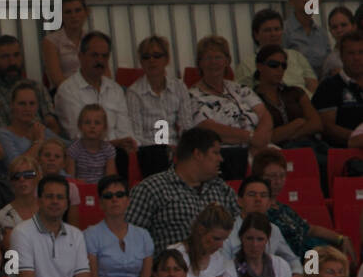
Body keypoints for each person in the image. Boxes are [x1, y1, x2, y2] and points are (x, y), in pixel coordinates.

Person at [127, 127, 239, 255]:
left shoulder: (223, 190)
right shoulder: (151, 189)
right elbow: (130, 240)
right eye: (215, 153)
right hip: (172, 270)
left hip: (218, 269)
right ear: (198, 154)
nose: (221, 159)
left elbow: (240, 232)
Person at [187, 35, 273, 177]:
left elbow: (264, 115)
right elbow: (208, 128)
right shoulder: (191, 96)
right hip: (224, 156)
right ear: (199, 63)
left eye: (218, 57)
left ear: (227, 61)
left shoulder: (240, 89)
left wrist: (259, 141)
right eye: (208, 58)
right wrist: (251, 138)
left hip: (257, 147)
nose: (213, 62)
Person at [253, 150, 355, 264]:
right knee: (325, 268)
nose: (278, 181)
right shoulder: (258, 211)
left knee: (334, 261)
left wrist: (340, 239)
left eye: (282, 176)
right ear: (259, 178)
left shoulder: (283, 209)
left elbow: (310, 229)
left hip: (310, 258)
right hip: (290, 264)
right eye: (272, 176)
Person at [54, 32, 136, 166]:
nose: (100, 61)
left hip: (118, 154)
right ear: (80, 56)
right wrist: (114, 145)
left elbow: (125, 131)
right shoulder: (67, 90)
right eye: (94, 55)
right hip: (85, 157)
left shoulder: (115, 89)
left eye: (104, 56)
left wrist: (125, 144)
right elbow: (77, 136)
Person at [126, 36, 192, 179]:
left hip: (176, 149)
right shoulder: (134, 92)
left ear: (167, 59)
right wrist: (162, 150)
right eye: (146, 57)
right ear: (141, 62)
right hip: (148, 151)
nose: (151, 60)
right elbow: (136, 135)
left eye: (157, 56)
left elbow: (186, 125)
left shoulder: (179, 87)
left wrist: (179, 149)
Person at [84, 173, 154, 277]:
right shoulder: (90, 234)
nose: (114, 199)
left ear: (128, 201)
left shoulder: (144, 235)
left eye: (120, 195)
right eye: (108, 196)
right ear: (101, 204)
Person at [0, 35, 60, 134]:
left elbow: (52, 124)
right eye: (5, 57)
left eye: (16, 55)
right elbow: (3, 134)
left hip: (47, 142)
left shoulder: (37, 87)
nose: (12, 62)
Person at [249, 43, 323, 152]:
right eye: (273, 65)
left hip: (310, 146)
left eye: (284, 66)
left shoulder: (296, 92)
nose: (280, 69)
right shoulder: (251, 98)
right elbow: (265, 138)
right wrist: (296, 124)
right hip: (276, 153)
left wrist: (288, 135)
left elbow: (317, 124)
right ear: (259, 66)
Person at [169, 203, 238, 277]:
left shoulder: (218, 259)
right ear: (201, 230)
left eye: (224, 240)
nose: (220, 245)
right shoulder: (176, 253)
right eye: (216, 238)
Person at [236, 11, 318, 92]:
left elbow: (313, 85)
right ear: (256, 35)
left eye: (277, 29)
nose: (273, 34)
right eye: (267, 30)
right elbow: (245, 96)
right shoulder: (246, 65)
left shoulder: (296, 56)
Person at [311, 27, 363, 147]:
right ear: (341, 56)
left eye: (361, 52)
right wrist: (357, 138)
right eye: (351, 53)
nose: (356, 58)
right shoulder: (328, 86)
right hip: (345, 154)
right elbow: (327, 126)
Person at [0, 81, 62, 169]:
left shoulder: (40, 129)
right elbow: (18, 168)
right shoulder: (2, 134)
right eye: (22, 103)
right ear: (11, 105)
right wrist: (38, 141)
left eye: (32, 104)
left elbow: (70, 150)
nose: (27, 108)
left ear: (37, 106)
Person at [41, 0, 89, 91]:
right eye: (68, 12)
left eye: (78, 10)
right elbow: (57, 80)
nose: (73, 16)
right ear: (61, 15)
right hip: (64, 93)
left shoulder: (92, 39)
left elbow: (106, 74)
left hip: (93, 91)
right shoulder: (51, 41)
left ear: (86, 12)